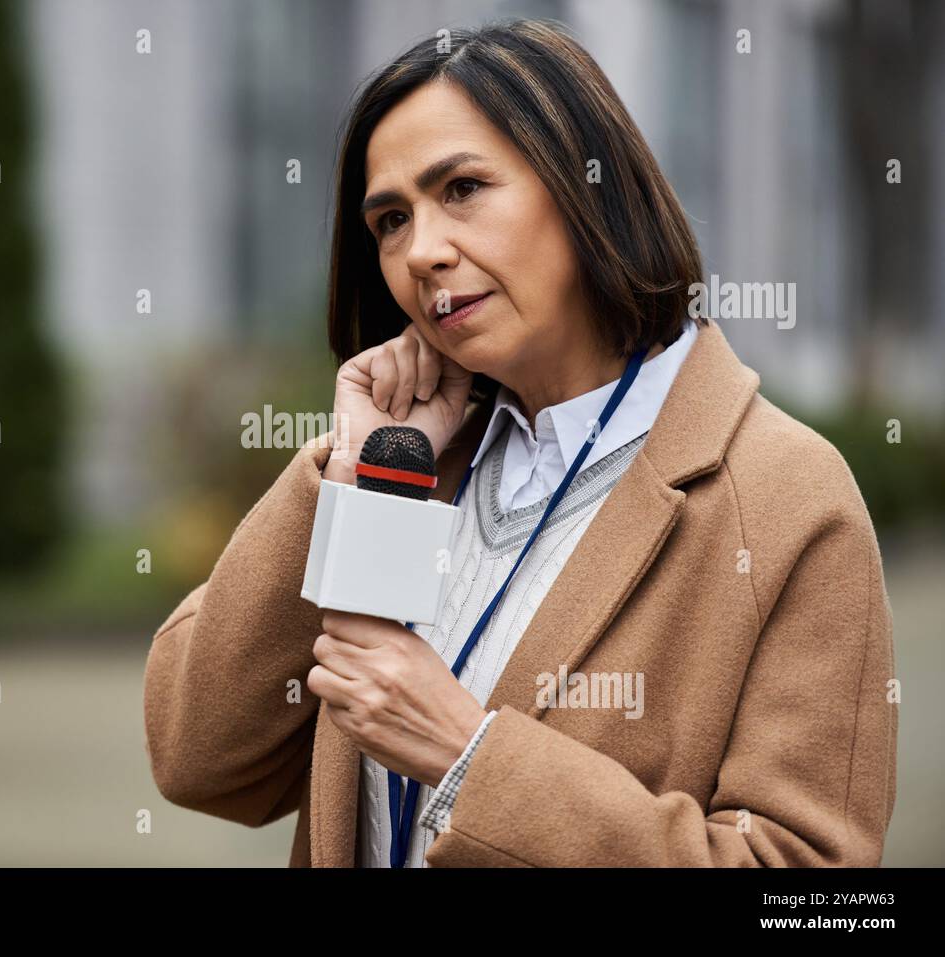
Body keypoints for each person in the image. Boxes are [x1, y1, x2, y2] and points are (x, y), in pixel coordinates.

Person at [143, 19, 896, 867]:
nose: (421, 251)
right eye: (390, 219)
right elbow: (199, 757)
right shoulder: (416, 465)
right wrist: (357, 476)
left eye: (461, 188)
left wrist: (472, 757)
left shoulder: (784, 496)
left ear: (589, 189)